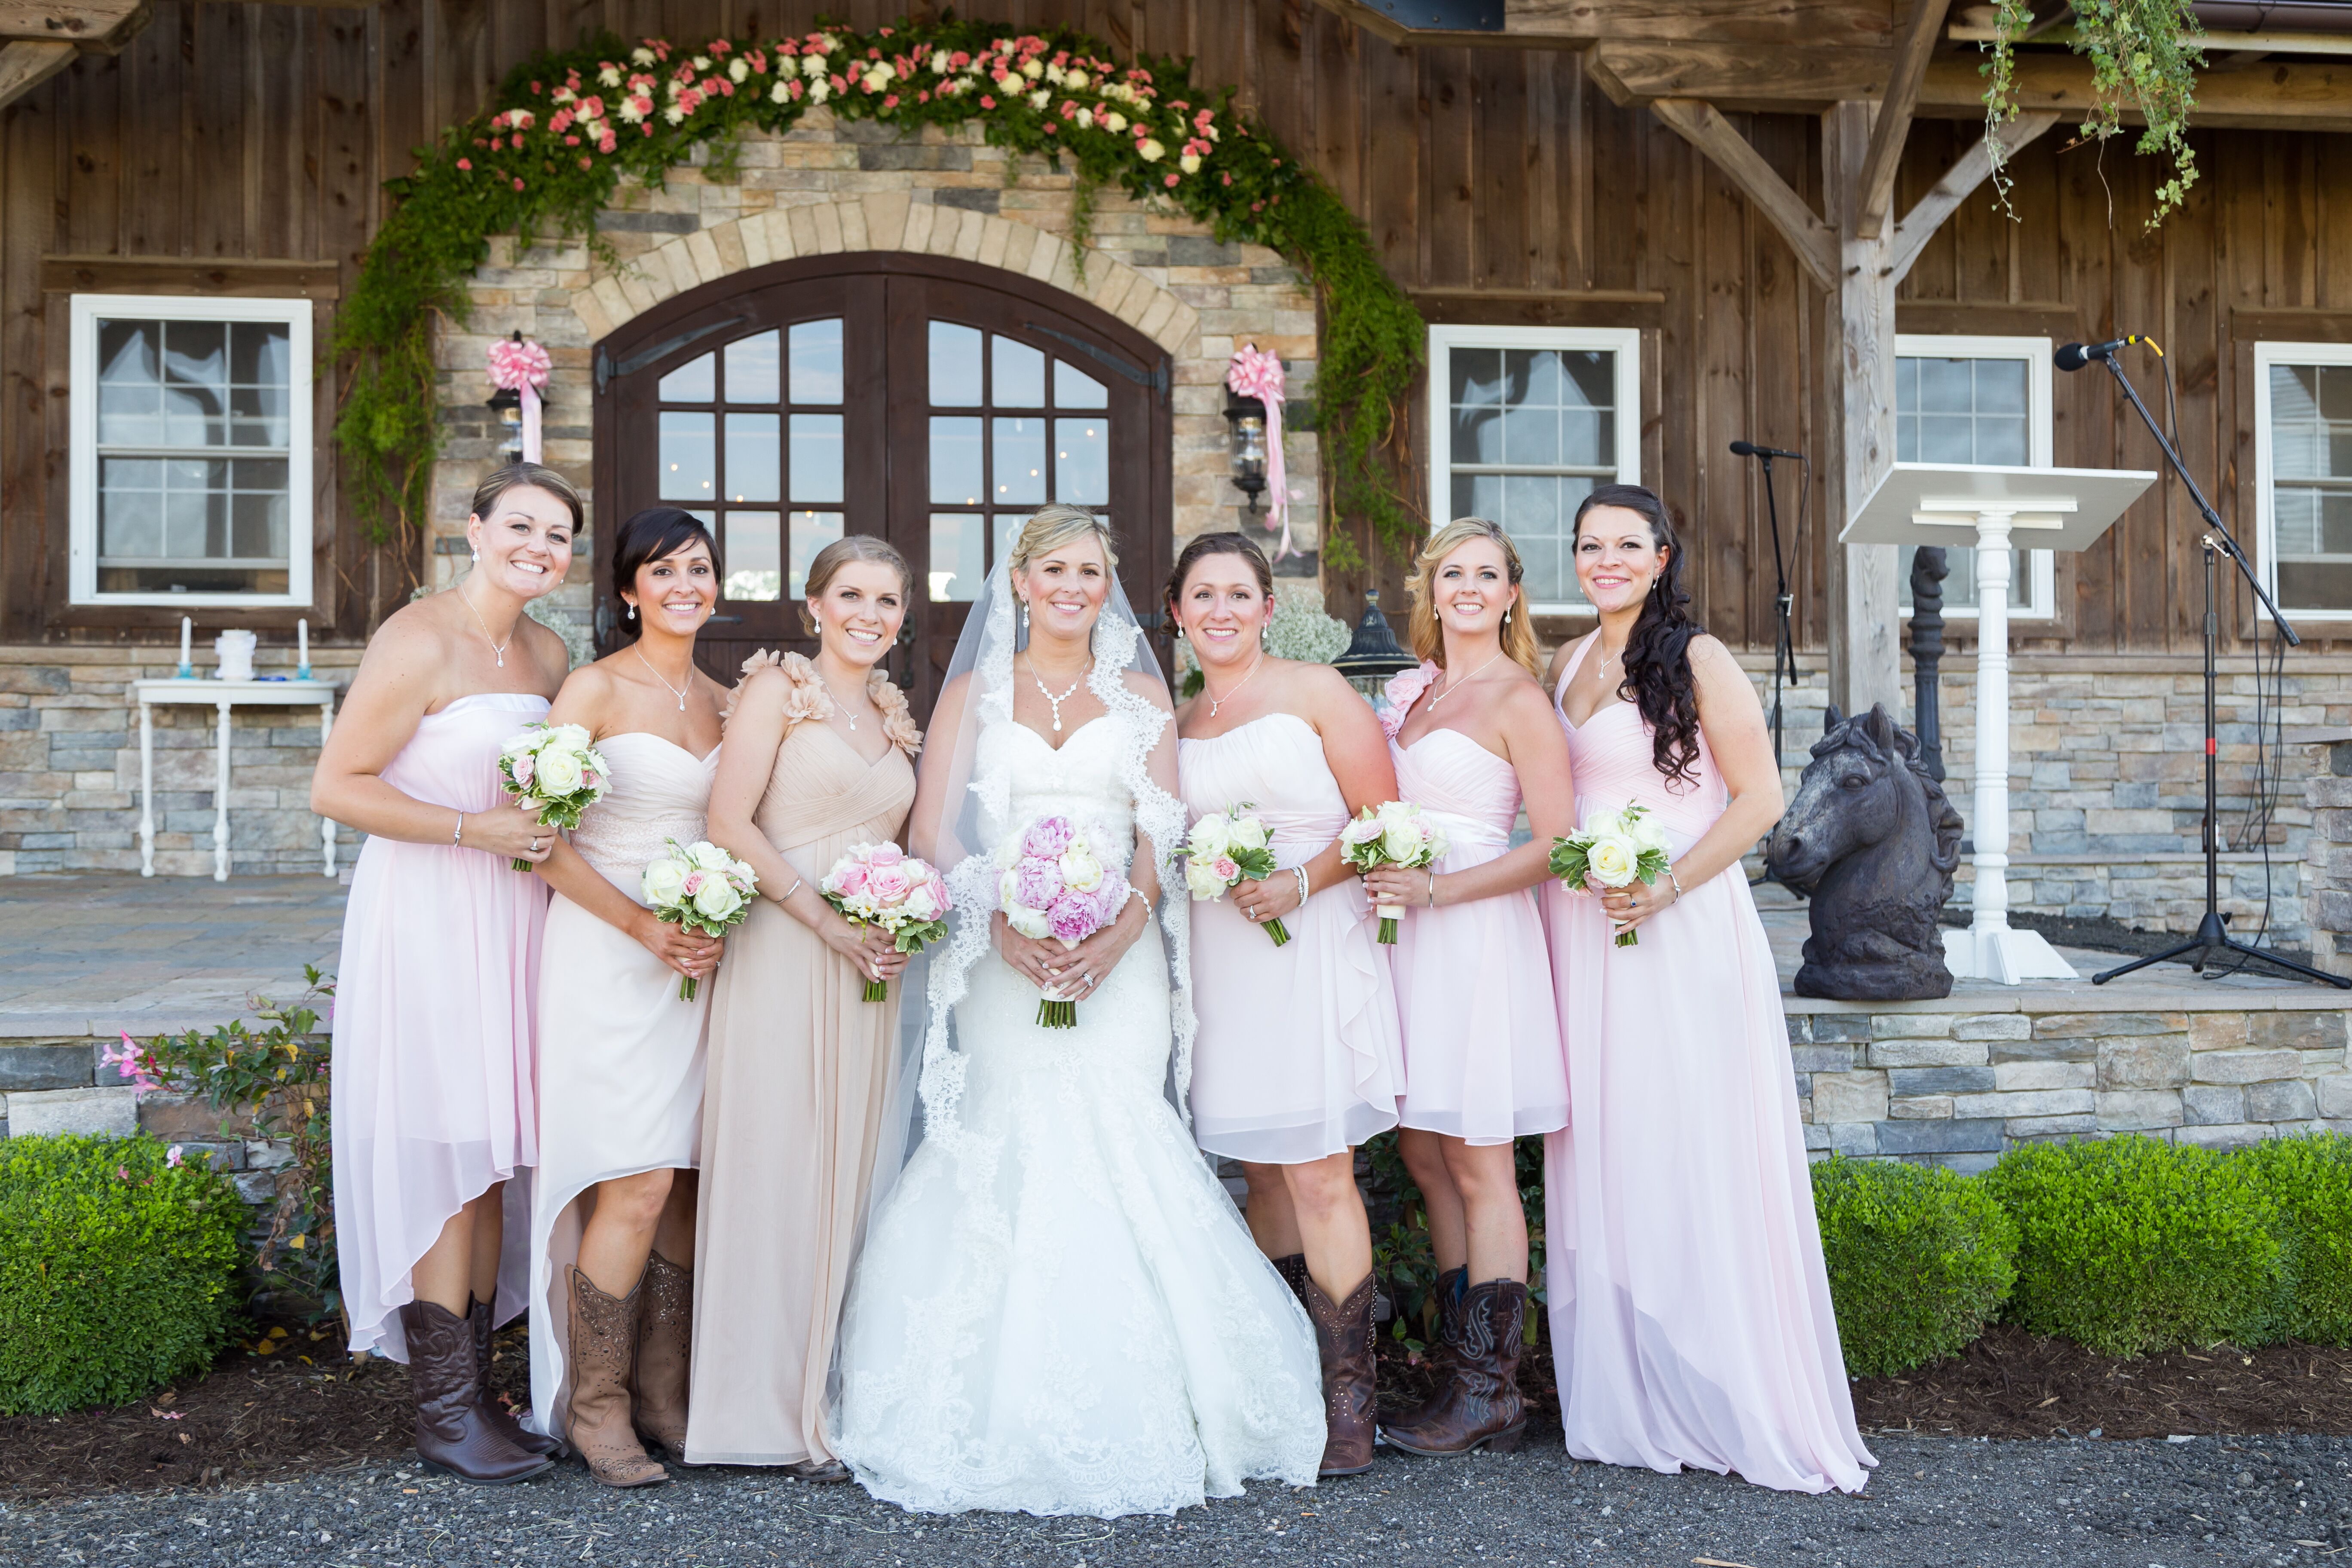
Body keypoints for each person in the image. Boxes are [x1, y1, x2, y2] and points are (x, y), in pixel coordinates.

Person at [829, 505, 1325, 1517]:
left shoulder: (1143, 692)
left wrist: (1121, 928)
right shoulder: (973, 693)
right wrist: (1001, 925)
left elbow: (1158, 830)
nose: (1072, 586)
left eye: (1091, 572)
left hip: (1122, 960)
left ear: (1110, 588)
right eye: (1053, 568)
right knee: (1011, 1136)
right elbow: (934, 831)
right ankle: (984, 1403)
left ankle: (1180, 1398)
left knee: (1120, 1134)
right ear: (1019, 581)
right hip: (1004, 956)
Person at [1542, 483, 1874, 1494]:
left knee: (1686, 1134)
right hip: (1588, 927)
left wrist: (1664, 887)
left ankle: (1724, 1381)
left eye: (1625, 546)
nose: (1605, 560)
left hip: (1677, 924)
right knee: (1603, 1140)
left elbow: (1762, 798)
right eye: (1590, 546)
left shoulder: (1698, 658)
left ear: (1662, 557)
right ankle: (1632, 1387)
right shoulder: (1567, 661)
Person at [312, 462, 581, 1485]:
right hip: (429, 912)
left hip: (517, 914)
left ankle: (477, 1396)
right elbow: (337, 787)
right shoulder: (415, 638)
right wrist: (476, 828)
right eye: (521, 525)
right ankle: (441, 1413)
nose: (538, 547)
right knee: (447, 1140)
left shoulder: (550, 652)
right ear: (475, 529)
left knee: (497, 1149)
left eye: (556, 535)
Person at [687, 535, 922, 1479]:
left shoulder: (896, 714)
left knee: (851, 1165)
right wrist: (822, 920)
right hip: (787, 946)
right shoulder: (776, 693)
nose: (870, 614)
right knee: (777, 1159)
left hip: (869, 958)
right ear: (814, 606)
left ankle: (828, 1387)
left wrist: (904, 913)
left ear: (905, 618)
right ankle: (752, 1410)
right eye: (851, 595)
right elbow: (728, 822)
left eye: (889, 601)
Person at [1168, 532, 1402, 1477]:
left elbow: (1384, 823)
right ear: (1178, 613)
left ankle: (1351, 1399)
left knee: (1316, 1170)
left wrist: (1300, 884)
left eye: (1238, 594)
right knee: (1259, 1171)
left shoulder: (1316, 691)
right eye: (1202, 596)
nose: (1220, 611)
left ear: (1268, 608)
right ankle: (1281, 1377)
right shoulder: (1175, 721)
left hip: (1310, 942)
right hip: (1223, 955)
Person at [524, 508, 730, 1488]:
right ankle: (594, 1405)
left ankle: (663, 1390)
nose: (684, 584)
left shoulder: (730, 702)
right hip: (609, 954)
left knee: (686, 1178)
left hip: (699, 961)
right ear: (628, 590)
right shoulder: (594, 688)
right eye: (663, 570)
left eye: (698, 568)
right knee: (635, 1177)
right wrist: (644, 926)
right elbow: (542, 842)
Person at [1363, 517, 1574, 1460]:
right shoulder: (1417, 690)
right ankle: (1459, 1368)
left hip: (1477, 934)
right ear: (1431, 586)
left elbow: (1556, 842)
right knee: (1423, 1148)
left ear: (1512, 591)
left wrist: (1441, 889)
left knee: (1479, 1156)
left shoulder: (1516, 697)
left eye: (1489, 573)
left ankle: (1493, 1390)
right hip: (1410, 941)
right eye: (1455, 572)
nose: (1471, 588)